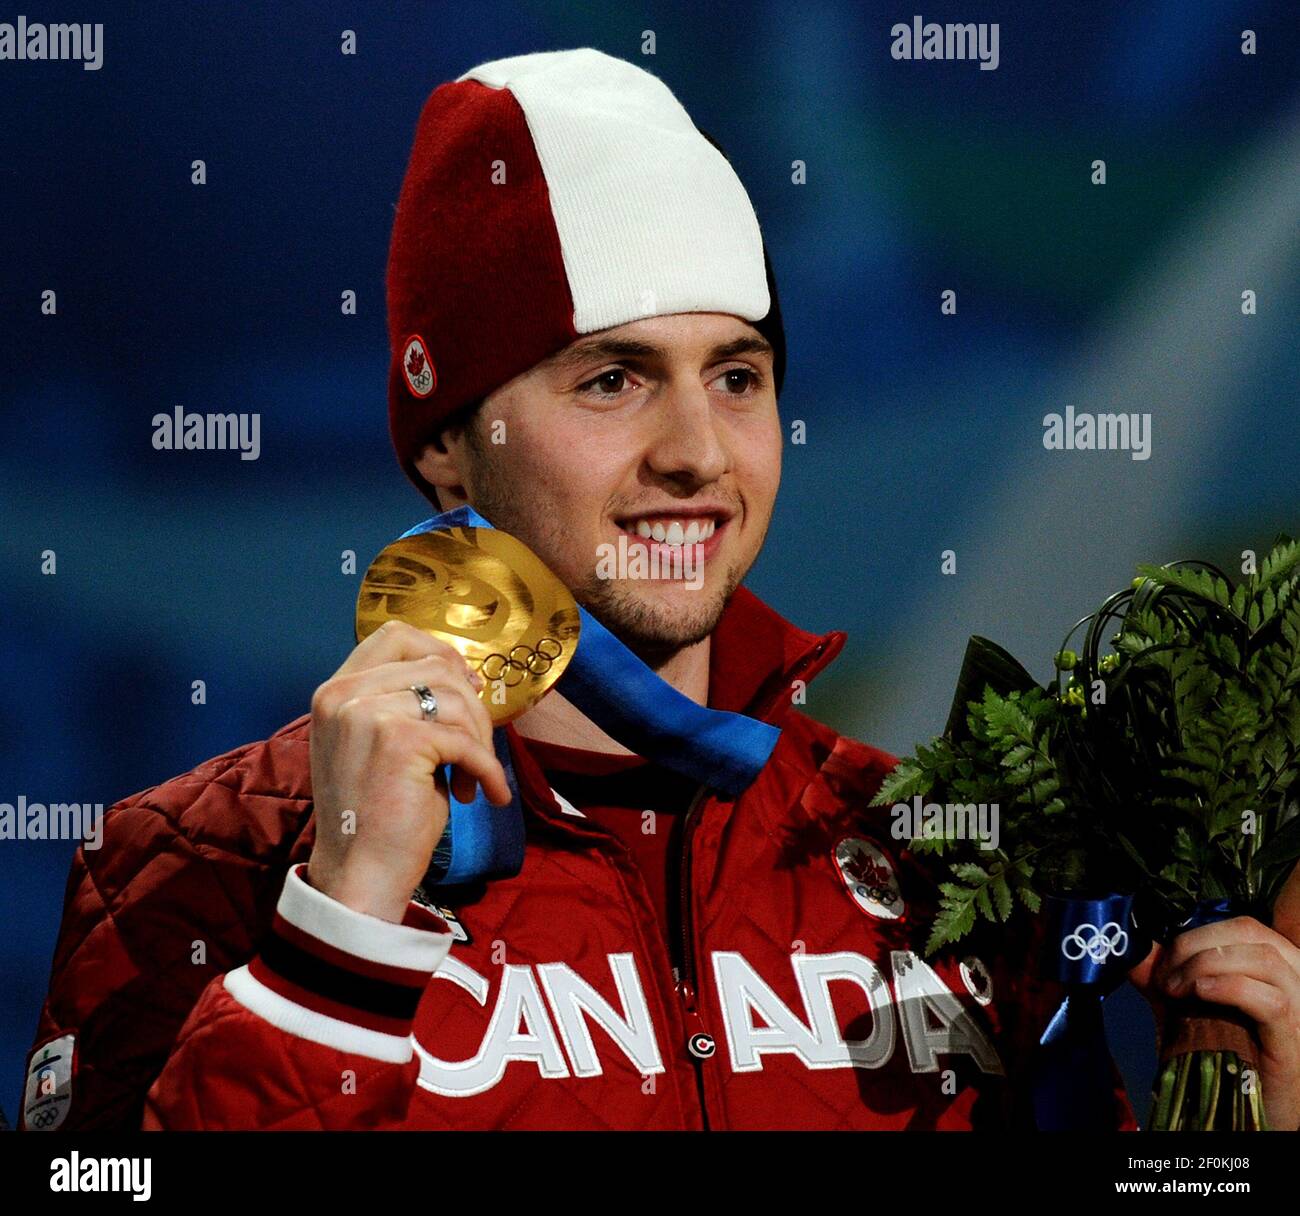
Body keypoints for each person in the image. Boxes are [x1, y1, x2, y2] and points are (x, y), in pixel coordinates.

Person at [20, 48, 1300, 1133]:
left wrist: (1232, 1145)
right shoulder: (195, 863)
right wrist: (340, 939)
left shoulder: (925, 860)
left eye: (737, 376)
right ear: (444, 441)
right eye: (611, 379)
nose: (698, 451)